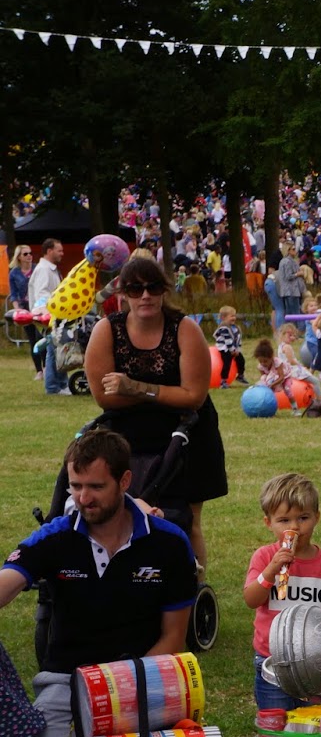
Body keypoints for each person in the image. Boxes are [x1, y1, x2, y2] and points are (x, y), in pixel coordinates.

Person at [0, 429, 197, 737]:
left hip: (141, 682)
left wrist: (118, 688)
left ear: (125, 481)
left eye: (95, 486)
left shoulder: (169, 543)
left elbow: (173, 637)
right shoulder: (54, 536)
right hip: (66, 682)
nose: (82, 498)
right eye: (75, 486)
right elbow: (8, 583)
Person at [85, 256, 228, 571]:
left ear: (164, 291)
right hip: (129, 440)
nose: (145, 296)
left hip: (189, 435)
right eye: (135, 289)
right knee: (124, 515)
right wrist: (165, 393)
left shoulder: (184, 328)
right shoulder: (107, 330)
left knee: (187, 521)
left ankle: (193, 592)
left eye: (152, 288)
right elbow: (104, 398)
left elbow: (193, 397)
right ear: (123, 293)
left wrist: (134, 387)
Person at [242, 472, 321, 712]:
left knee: (316, 725)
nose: (294, 527)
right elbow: (251, 599)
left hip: (316, 662)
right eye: (284, 520)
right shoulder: (263, 557)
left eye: (303, 518)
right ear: (268, 523)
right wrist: (271, 570)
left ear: (316, 518)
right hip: (273, 660)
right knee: (277, 727)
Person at [31, 238, 68, 395]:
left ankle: (59, 384)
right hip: (48, 316)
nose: (62, 253)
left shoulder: (50, 269)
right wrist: (49, 316)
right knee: (54, 350)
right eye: (59, 250)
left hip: (53, 315)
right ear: (49, 251)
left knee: (57, 349)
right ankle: (54, 386)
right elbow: (42, 295)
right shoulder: (44, 270)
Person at [9, 245, 43, 380]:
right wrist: (18, 310)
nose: (29, 256)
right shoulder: (14, 273)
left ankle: (46, 368)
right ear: (19, 257)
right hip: (25, 309)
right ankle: (39, 370)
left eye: (30, 253)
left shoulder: (38, 269)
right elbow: (14, 294)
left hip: (39, 307)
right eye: (25, 254)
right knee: (33, 340)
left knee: (41, 338)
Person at [274, 246, 306, 329]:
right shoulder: (287, 262)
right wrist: (298, 274)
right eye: (293, 249)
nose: (295, 251)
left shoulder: (285, 261)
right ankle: (297, 330)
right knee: (294, 313)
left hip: (288, 290)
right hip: (291, 290)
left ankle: (290, 330)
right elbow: (288, 276)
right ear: (288, 251)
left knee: (290, 312)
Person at [214, 305, 244, 388]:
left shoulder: (235, 327)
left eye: (234, 316)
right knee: (227, 363)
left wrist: (238, 349)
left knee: (241, 360)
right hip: (225, 349)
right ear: (223, 317)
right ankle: (223, 381)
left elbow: (238, 339)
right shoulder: (223, 327)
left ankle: (240, 375)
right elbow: (228, 341)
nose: (234, 318)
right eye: (231, 316)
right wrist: (232, 350)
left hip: (233, 349)